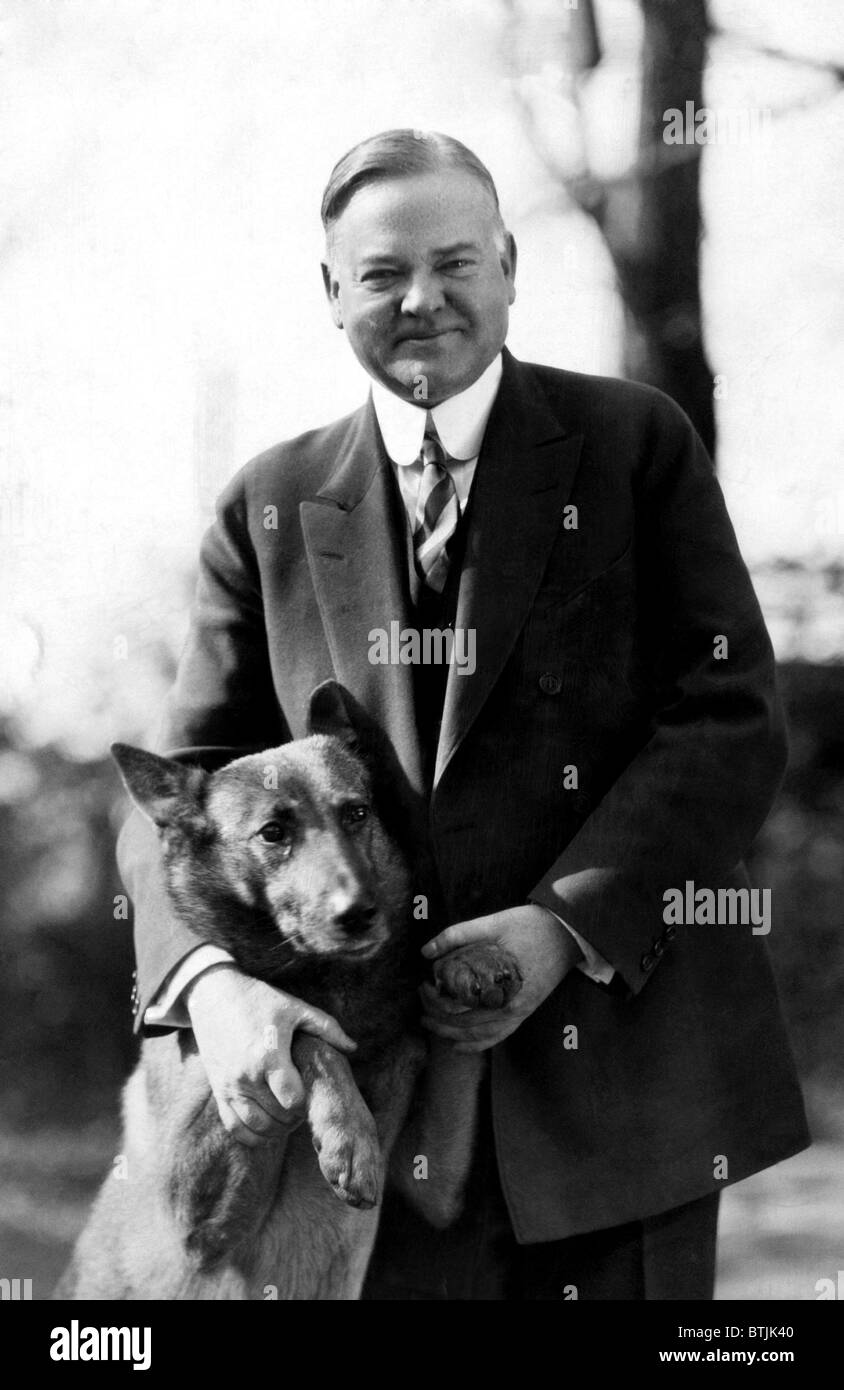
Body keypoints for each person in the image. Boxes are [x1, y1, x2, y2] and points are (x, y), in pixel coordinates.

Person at [118, 129, 809, 1300]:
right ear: (333, 293)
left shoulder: (636, 444)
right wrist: (209, 986)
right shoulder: (268, 506)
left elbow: (729, 719)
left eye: (455, 261)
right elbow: (176, 797)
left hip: (619, 1108)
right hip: (368, 1130)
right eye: (382, 273)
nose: (422, 298)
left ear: (509, 266)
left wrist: (560, 927)